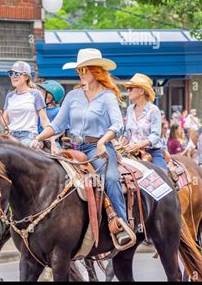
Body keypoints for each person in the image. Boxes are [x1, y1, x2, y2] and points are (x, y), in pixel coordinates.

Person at [30, 48, 131, 247]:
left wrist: (103, 141)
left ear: (96, 70)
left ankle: (121, 224)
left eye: (84, 69)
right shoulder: (73, 96)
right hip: (73, 149)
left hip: (97, 148)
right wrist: (39, 138)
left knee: (110, 178)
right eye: (79, 71)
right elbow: (58, 124)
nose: (81, 74)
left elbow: (118, 125)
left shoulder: (108, 97)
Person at [0, 61, 51, 147]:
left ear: (26, 77)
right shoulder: (10, 96)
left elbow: (44, 120)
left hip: (29, 136)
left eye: (16, 73)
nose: (13, 76)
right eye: (11, 73)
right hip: (11, 136)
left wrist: (52, 141)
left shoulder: (35, 94)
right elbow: (6, 123)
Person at [120, 73, 167, 171]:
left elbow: (155, 136)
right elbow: (127, 133)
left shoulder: (154, 110)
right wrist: (120, 145)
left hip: (152, 152)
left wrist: (137, 145)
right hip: (131, 152)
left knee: (163, 175)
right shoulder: (129, 109)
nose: (128, 91)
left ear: (141, 91)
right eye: (128, 88)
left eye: (131, 88)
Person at [37, 80, 66, 153]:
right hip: (36, 138)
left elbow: (61, 130)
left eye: (42, 93)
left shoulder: (58, 111)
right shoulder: (40, 109)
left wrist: (53, 139)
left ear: (50, 97)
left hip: (50, 141)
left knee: (58, 156)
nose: (39, 95)